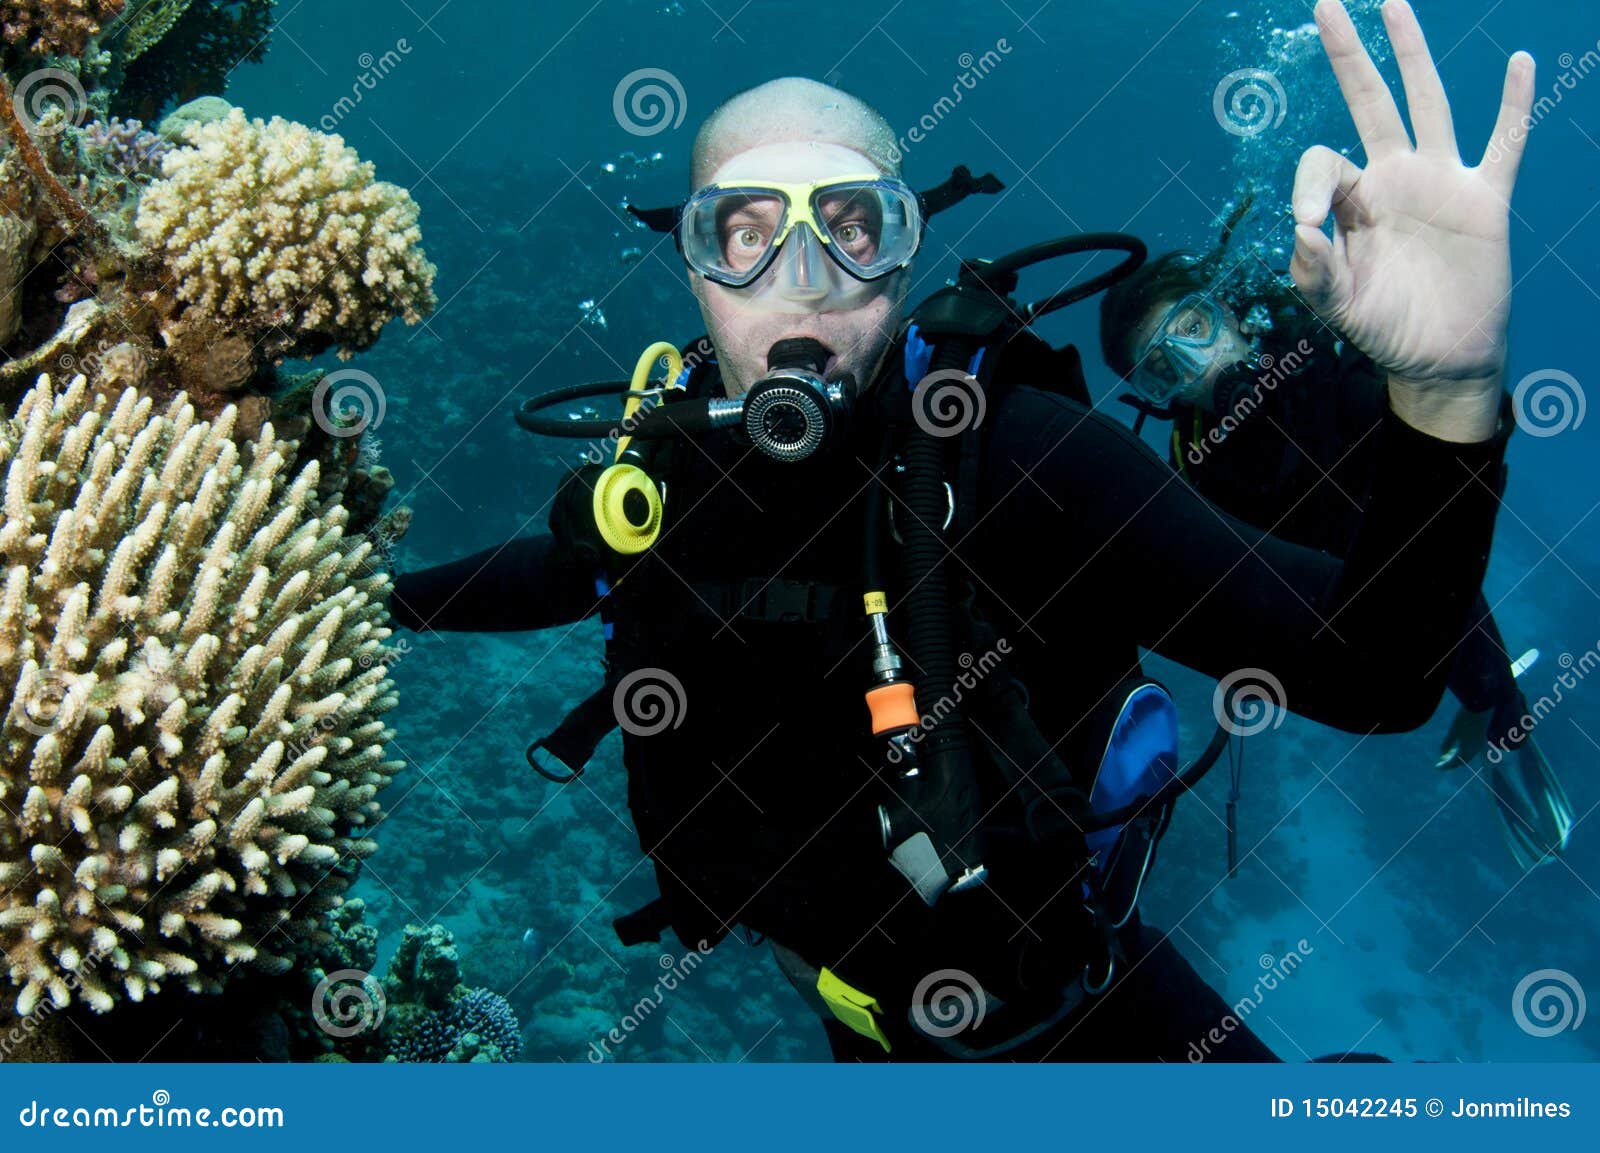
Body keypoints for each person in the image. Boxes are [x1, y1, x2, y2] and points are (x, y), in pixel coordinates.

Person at [389, 0, 1536, 1060]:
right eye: (743, 233)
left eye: (852, 226)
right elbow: (563, 570)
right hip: (860, 1032)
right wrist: (372, 599)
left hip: (1081, 1011)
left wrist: (1444, 398)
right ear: (693, 267)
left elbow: (1375, 674)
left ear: (908, 250)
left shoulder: (1028, 463)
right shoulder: (663, 476)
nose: (802, 280)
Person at [1098, 234, 1574, 872]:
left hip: (1410, 556)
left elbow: (1439, 486)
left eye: (1195, 325)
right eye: (1162, 368)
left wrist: (1447, 376)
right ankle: (1493, 708)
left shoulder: (1320, 362)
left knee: (1429, 571)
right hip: (1354, 602)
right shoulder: (1199, 466)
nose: (1197, 364)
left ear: (1232, 312)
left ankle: (1499, 706)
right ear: (1157, 394)